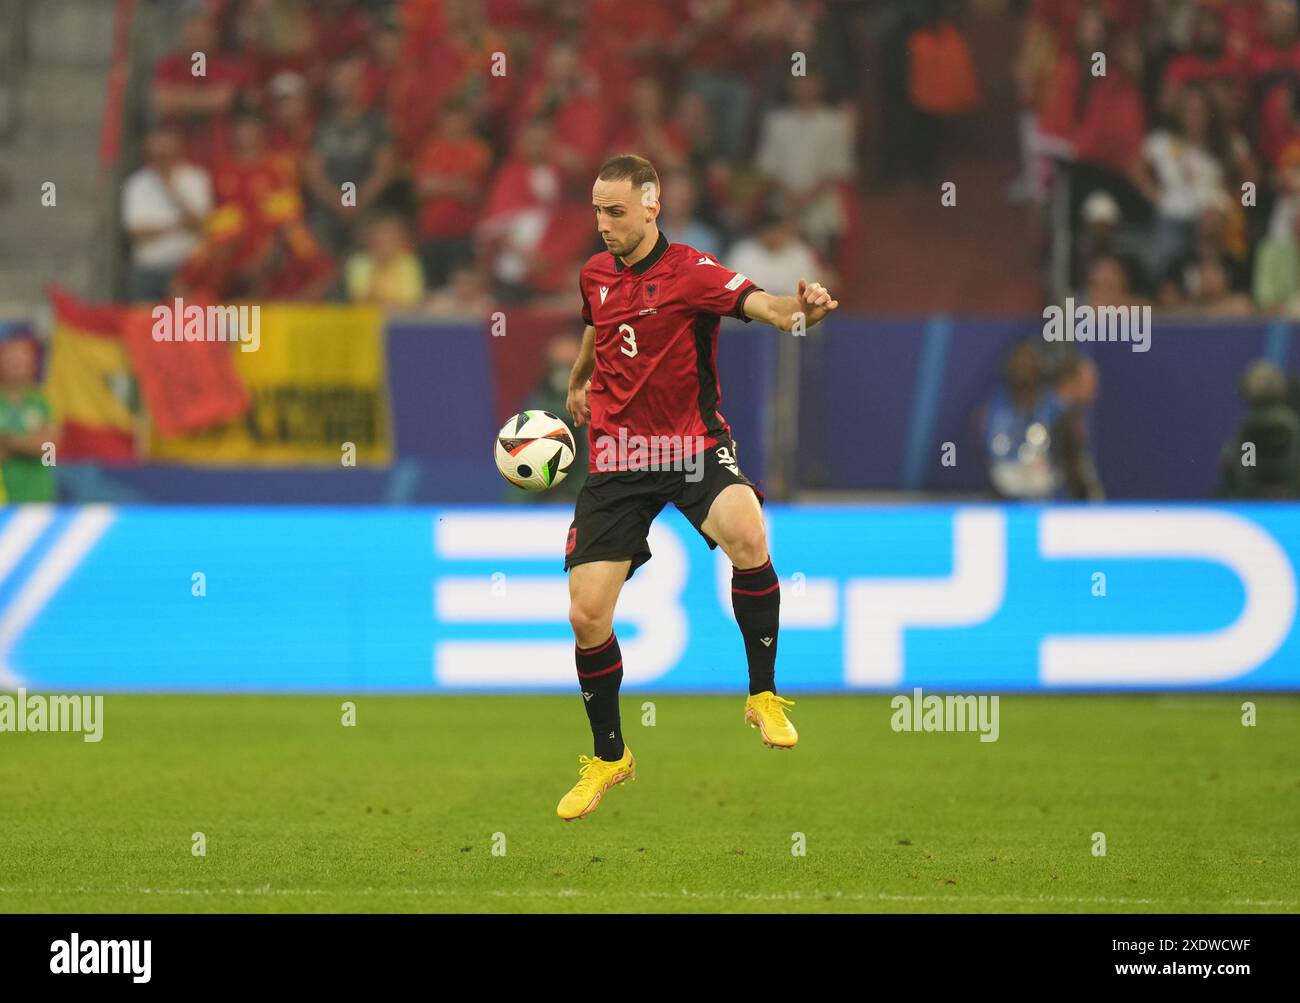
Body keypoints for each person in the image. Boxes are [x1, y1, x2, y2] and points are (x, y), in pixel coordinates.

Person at [555, 154, 838, 820]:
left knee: (747, 531)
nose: (603, 224)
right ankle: (609, 756)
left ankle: (763, 695)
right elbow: (600, 326)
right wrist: (576, 380)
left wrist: (802, 312)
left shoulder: (692, 271)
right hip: (619, 456)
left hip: (691, 443)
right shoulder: (594, 273)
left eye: (616, 211)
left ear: (652, 206)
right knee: (586, 614)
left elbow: (764, 305)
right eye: (597, 210)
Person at [0, 337, 56, 504]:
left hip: (37, 498)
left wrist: (8, 441)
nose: (16, 366)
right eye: (11, 359)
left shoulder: (45, 402)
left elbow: (49, 454)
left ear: (33, 363)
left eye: (21, 360)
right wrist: (29, 442)